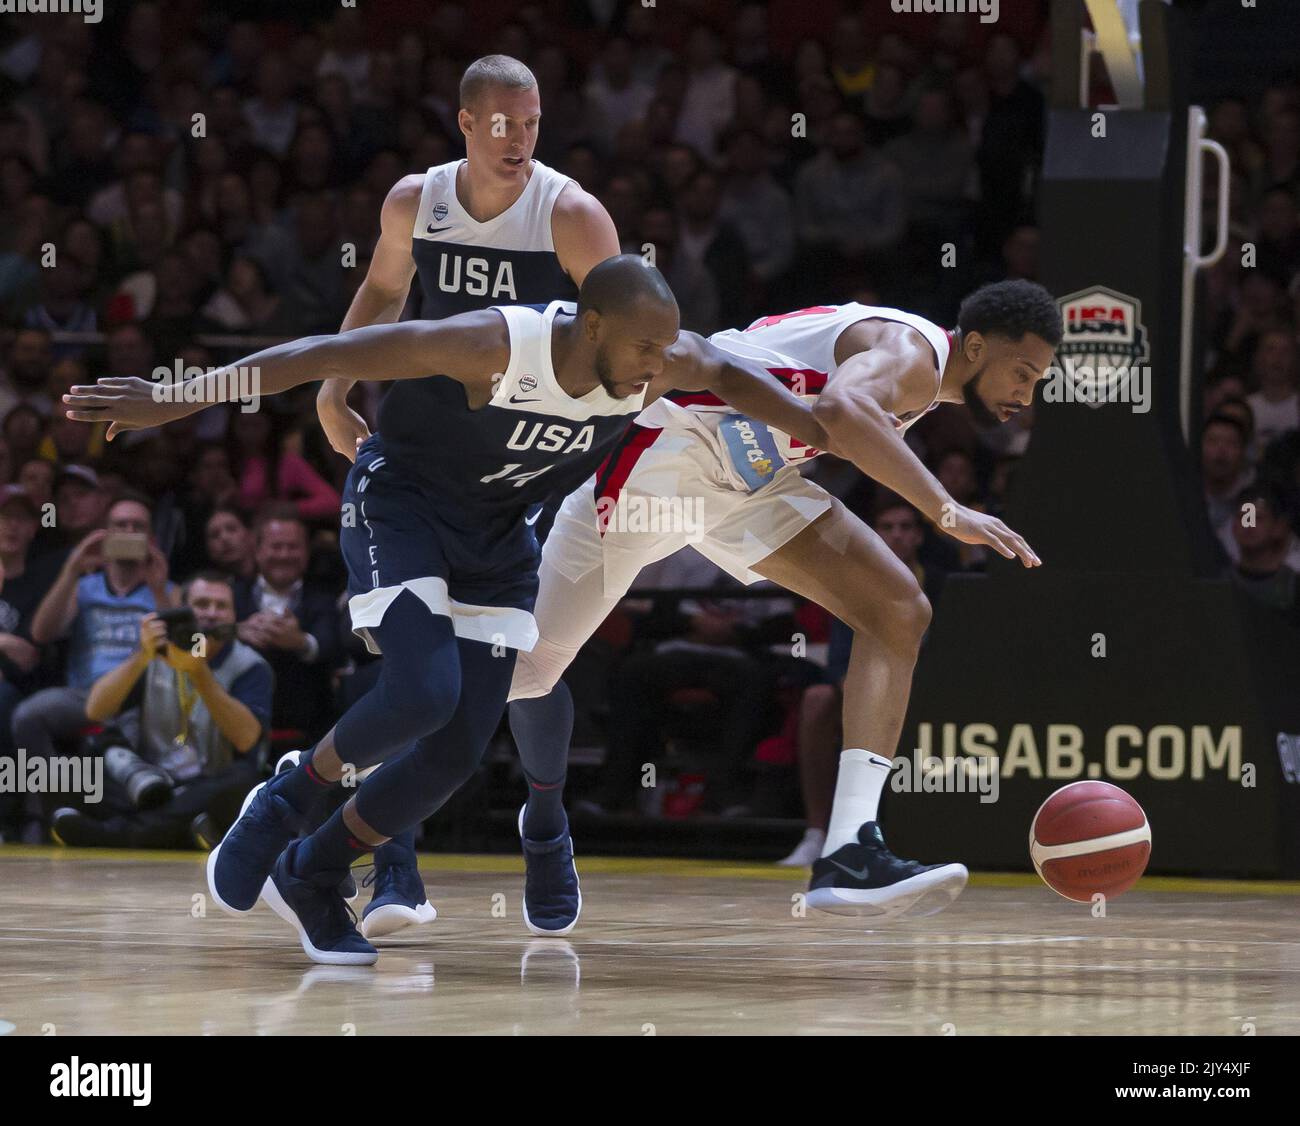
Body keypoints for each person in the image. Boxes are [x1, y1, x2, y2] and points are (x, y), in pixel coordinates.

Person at [64, 254, 826, 965]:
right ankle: (285, 799)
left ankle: (315, 871)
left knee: (458, 750)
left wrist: (828, 432)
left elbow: (728, 372)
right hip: (403, 505)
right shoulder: (490, 344)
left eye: (666, 351)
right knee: (424, 693)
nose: (659, 369)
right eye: (644, 351)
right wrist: (172, 398)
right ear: (592, 327)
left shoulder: (657, 358)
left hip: (495, 537)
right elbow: (320, 356)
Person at [504, 281, 1058, 926]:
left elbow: (833, 414)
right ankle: (387, 787)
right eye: (1021, 372)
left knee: (898, 609)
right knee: (528, 672)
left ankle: (851, 851)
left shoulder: (917, 373)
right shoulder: (913, 352)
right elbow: (846, 408)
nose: (1026, 393)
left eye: (1039, 380)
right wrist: (945, 509)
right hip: (669, 453)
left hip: (750, 484)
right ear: (977, 346)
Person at [313, 54, 621, 939]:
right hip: (423, 455)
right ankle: (394, 866)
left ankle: (547, 823)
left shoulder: (570, 213)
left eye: (531, 122)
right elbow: (381, 289)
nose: (520, 138)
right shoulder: (417, 201)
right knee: (419, 671)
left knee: (533, 669)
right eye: (503, 123)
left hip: (523, 457)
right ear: (466, 124)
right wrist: (333, 389)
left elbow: (631, 332)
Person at [50, 572, 272, 848]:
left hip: (208, 782)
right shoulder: (154, 654)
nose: (212, 614)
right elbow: (95, 710)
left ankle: (120, 833)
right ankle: (177, 830)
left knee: (245, 780)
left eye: (221, 606)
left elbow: (247, 738)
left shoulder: (251, 666)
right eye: (202, 604)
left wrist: (198, 671)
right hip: (150, 783)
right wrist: (142, 656)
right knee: (82, 763)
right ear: (181, 608)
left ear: (234, 615)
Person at [15, 491, 172, 835]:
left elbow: (177, 656)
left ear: (151, 538)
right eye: (120, 525)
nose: (129, 531)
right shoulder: (84, 586)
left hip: (146, 700)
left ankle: (147, 816)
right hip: (88, 696)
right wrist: (71, 569)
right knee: (29, 715)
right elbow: (40, 633)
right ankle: (48, 812)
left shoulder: (164, 588)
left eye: (138, 526)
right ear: (104, 534)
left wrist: (160, 591)